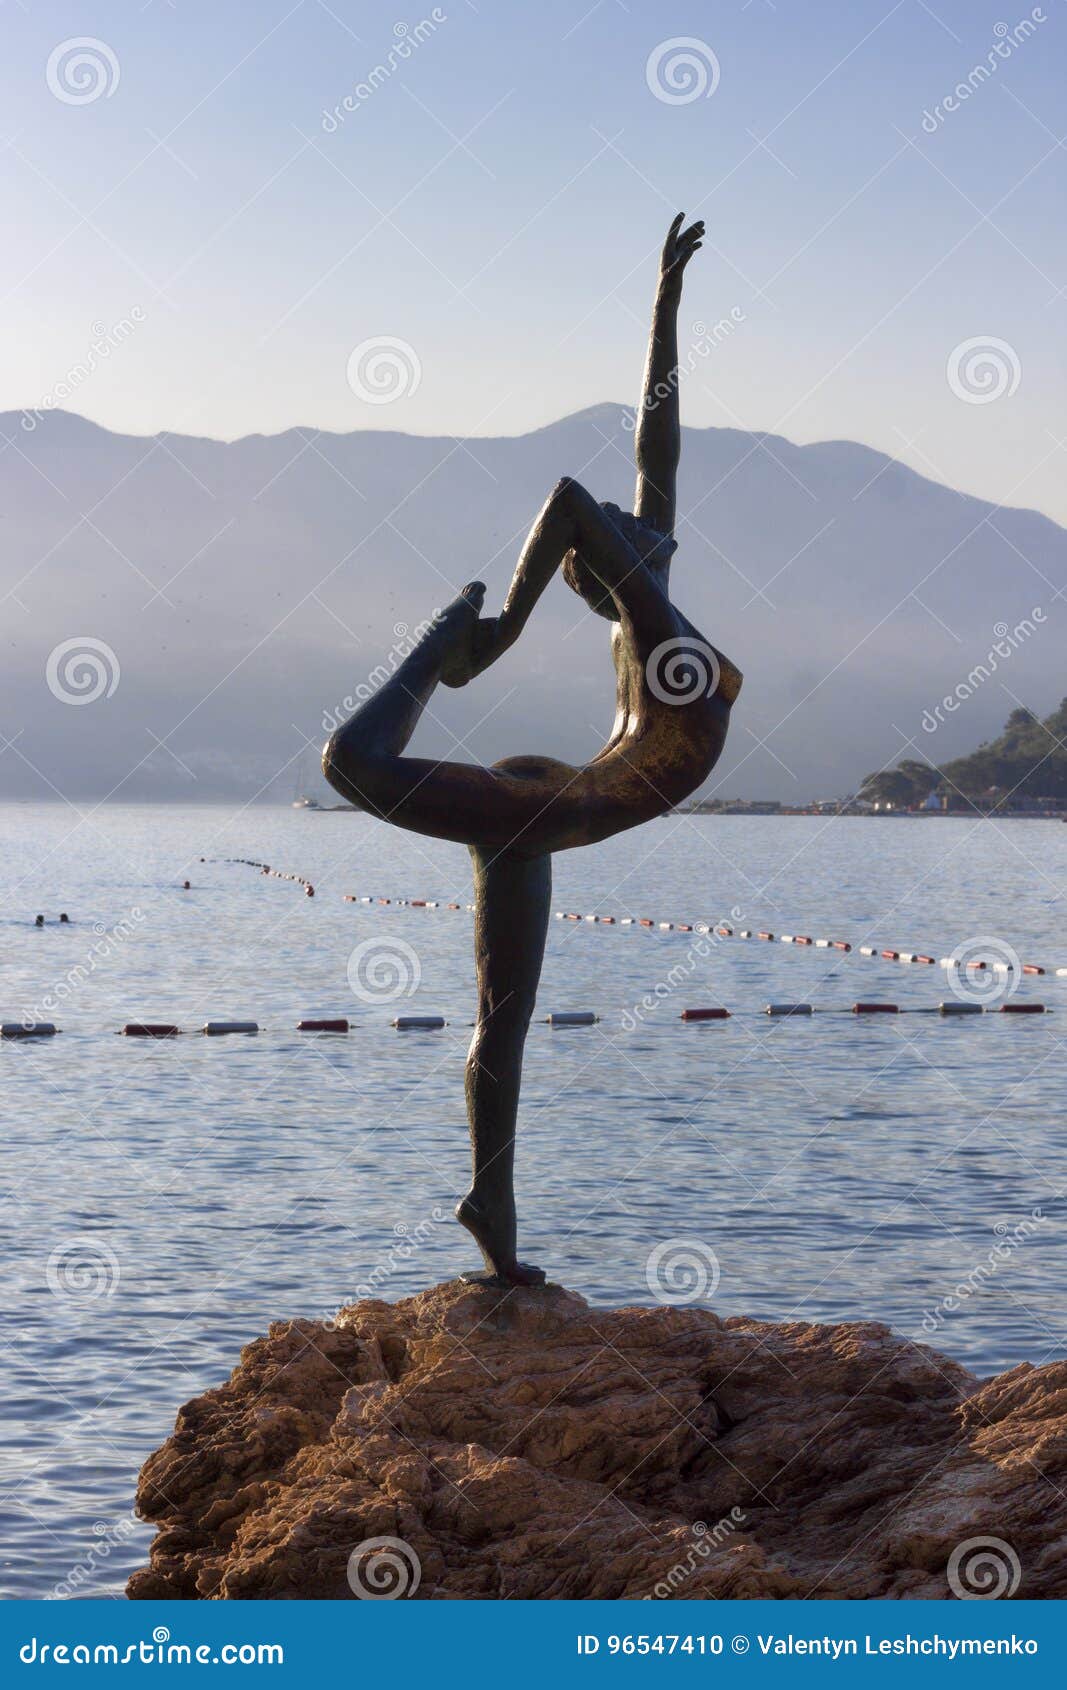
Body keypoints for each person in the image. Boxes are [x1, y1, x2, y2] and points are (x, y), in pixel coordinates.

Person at [323, 217, 741, 1284]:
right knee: (357, 771)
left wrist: (662, 307)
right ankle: (492, 1207)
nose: (628, 520)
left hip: (577, 791)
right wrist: (489, 629)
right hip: (567, 795)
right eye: (616, 536)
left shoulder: (653, 615)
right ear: (603, 573)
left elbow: (655, 445)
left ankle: (491, 1201)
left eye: (625, 526)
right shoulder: (642, 628)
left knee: (505, 1015)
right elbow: (570, 501)